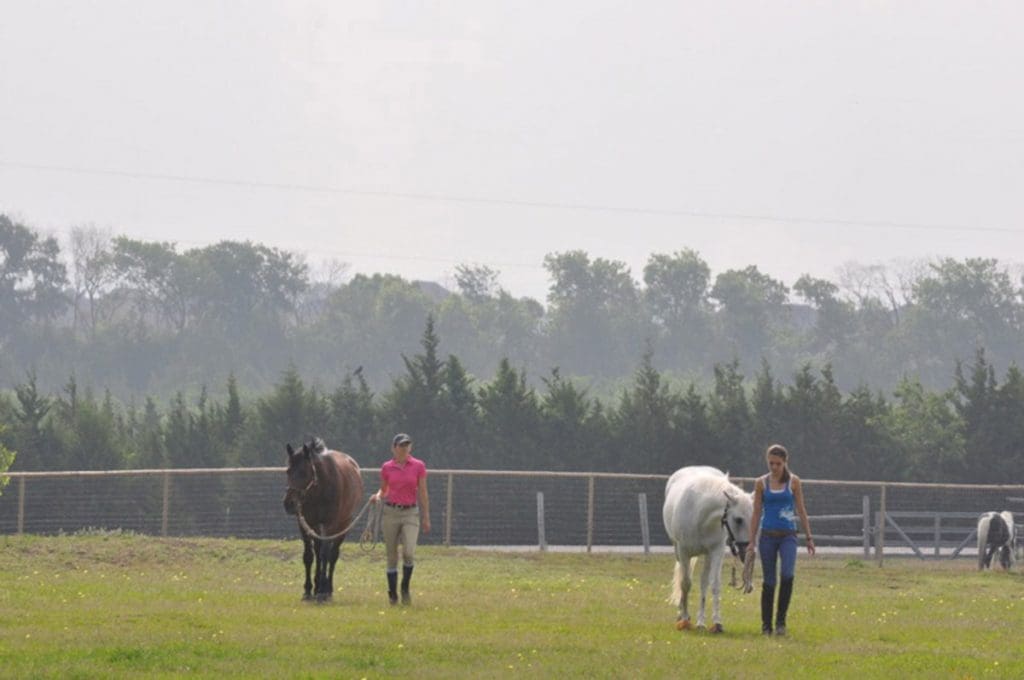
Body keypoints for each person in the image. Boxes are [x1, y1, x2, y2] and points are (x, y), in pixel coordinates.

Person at [746, 444, 815, 636]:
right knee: (769, 581)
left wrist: (809, 537)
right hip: (767, 536)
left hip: (788, 536)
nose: (774, 467)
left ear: (785, 462)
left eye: (777, 463)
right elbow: (757, 512)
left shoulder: (794, 482)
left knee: (787, 575)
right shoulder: (761, 483)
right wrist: (751, 541)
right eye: (771, 463)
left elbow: (801, 510)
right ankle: (766, 625)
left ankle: (781, 622)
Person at [370, 433, 431, 605]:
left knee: (408, 553)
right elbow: (384, 489)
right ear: (394, 448)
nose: (404, 448)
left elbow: (423, 492)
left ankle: (405, 587)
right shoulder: (387, 467)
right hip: (391, 513)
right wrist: (377, 496)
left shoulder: (418, 466)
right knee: (391, 556)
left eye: (407, 445)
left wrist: (426, 516)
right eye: (401, 445)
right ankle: (392, 594)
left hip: (411, 513)